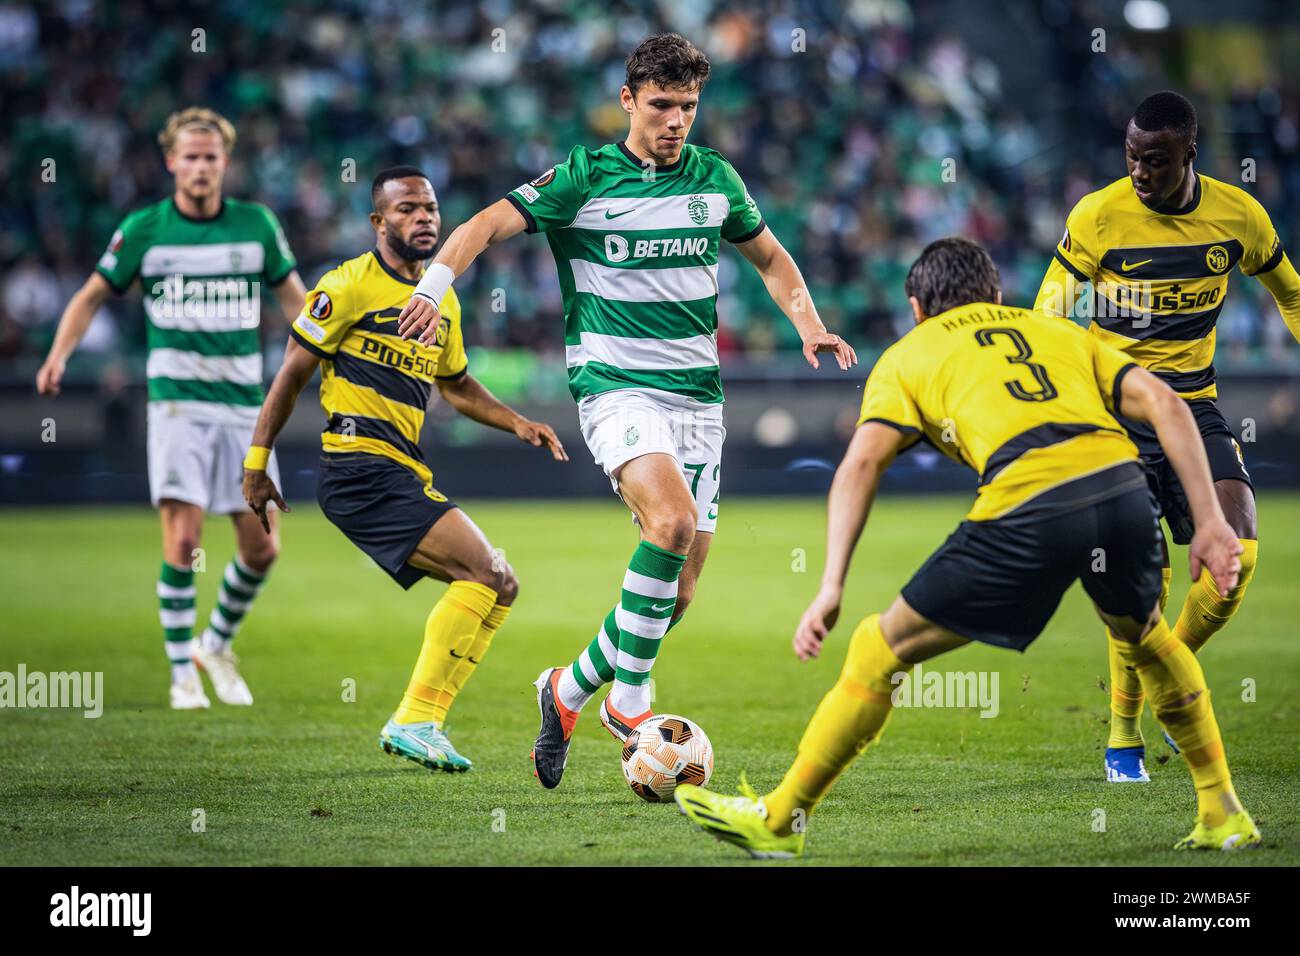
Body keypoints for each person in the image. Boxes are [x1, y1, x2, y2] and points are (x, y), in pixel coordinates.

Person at [675, 237, 1259, 857]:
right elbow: (1167, 404)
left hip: (1030, 503)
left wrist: (831, 584)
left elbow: (862, 463)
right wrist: (1208, 519)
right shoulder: (1055, 331)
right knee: (1147, 638)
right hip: (1122, 494)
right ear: (998, 295)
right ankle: (1223, 811)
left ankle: (779, 820)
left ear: (917, 307)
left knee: (880, 646)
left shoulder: (910, 353)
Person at [394, 33, 857, 789]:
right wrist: (431, 288)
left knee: (674, 597)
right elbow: (481, 225)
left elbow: (770, 258)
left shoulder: (715, 180)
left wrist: (808, 323)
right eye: (662, 106)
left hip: (698, 398)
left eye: (688, 107)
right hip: (615, 387)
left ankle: (568, 688)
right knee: (670, 524)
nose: (676, 121)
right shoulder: (583, 177)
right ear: (628, 101)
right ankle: (630, 701)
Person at [243, 167, 567, 771]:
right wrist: (257, 461)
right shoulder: (346, 286)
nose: (423, 219)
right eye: (407, 210)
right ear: (378, 222)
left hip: (400, 469)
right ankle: (415, 718)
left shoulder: (440, 300)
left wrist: (517, 422)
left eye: (430, 209)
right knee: (482, 571)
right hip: (358, 466)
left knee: (502, 584)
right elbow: (291, 374)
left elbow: (459, 386)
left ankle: (425, 722)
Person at [1034, 91, 1300, 782]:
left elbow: (1290, 292)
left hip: (1193, 405)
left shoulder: (1238, 216)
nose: (1139, 173)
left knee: (1235, 557)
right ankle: (1122, 738)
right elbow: (1050, 314)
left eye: (1156, 160)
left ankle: (1167, 675)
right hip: (1117, 414)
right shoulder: (1097, 216)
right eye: (1131, 157)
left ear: (1191, 154)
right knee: (1137, 584)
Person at [36, 107, 307, 710]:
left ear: (224, 163)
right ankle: (182, 669)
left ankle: (216, 643)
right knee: (183, 541)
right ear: (171, 162)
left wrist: (340, 355)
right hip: (178, 407)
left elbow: (300, 304)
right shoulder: (144, 230)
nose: (202, 166)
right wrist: (59, 355)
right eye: (191, 156)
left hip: (245, 410)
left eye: (211, 157)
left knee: (262, 548)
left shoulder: (257, 226)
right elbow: (90, 296)